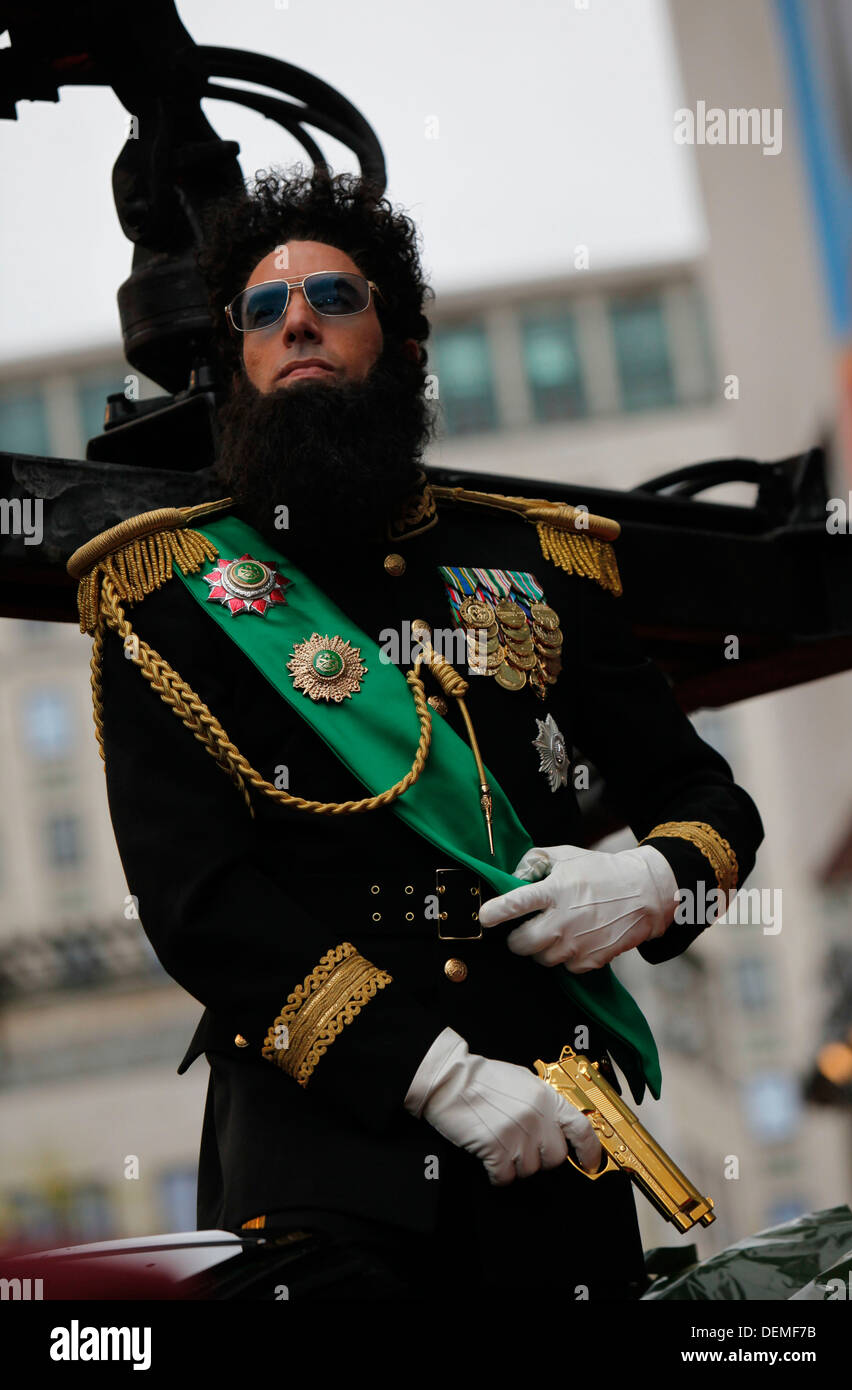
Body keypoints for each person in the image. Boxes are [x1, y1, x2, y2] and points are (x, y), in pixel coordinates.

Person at [67, 165, 764, 1304]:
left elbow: (707, 798)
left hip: (554, 1136)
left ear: (398, 342)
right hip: (322, 1163)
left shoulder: (539, 562)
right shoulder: (170, 592)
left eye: (332, 297)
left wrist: (648, 880)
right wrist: (429, 1070)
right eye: (261, 309)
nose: (295, 320)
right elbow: (198, 904)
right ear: (239, 363)